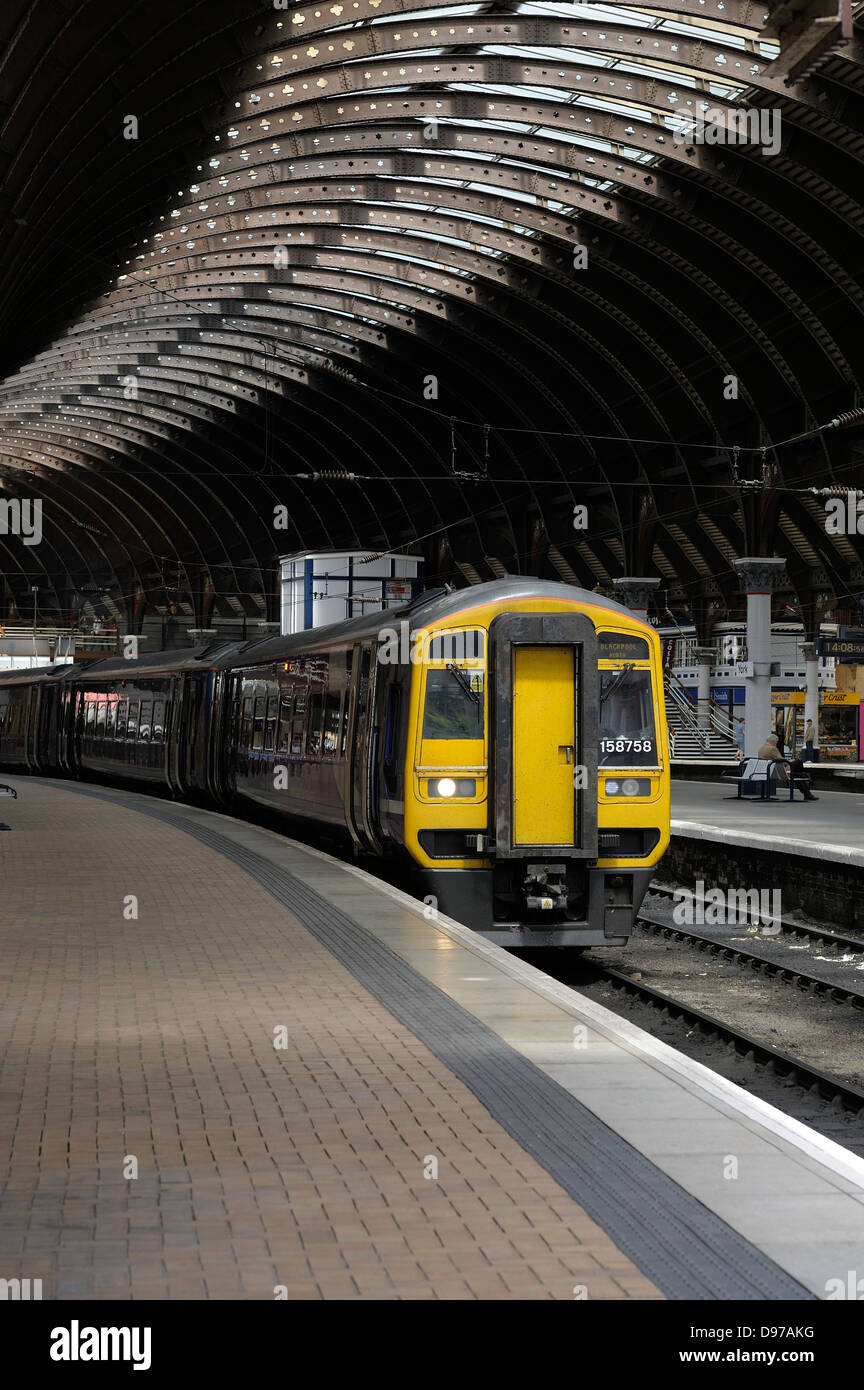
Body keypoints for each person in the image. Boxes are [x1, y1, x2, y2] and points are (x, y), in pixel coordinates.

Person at [757, 732, 818, 801]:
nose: (776, 743)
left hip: (768, 770)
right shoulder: (772, 748)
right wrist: (789, 761)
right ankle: (805, 778)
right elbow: (781, 761)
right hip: (776, 771)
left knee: (798, 774)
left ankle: (806, 786)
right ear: (773, 741)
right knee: (799, 762)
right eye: (776, 742)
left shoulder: (761, 748)